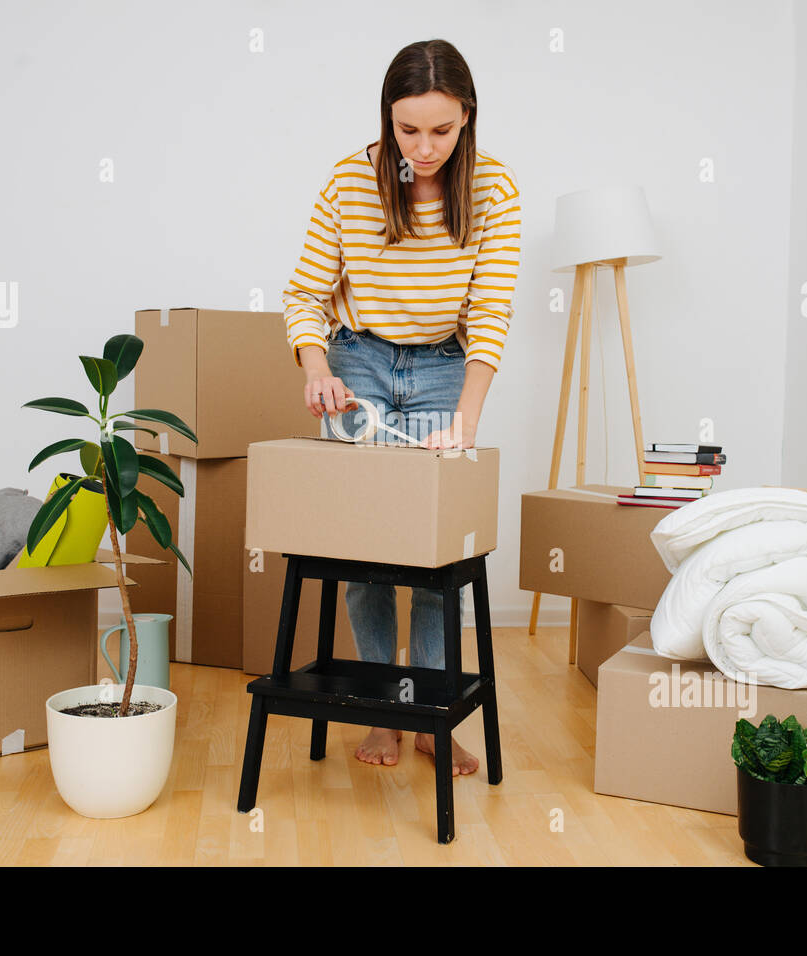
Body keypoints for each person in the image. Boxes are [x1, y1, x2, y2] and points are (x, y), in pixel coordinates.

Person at [280, 39, 521, 776]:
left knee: (436, 548)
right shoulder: (351, 181)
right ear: (387, 118)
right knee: (370, 546)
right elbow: (305, 294)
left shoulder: (493, 191)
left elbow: (490, 313)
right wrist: (316, 368)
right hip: (359, 359)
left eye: (441, 131)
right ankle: (384, 712)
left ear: (467, 118)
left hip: (447, 366)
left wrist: (468, 416)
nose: (422, 148)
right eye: (406, 130)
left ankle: (432, 716)